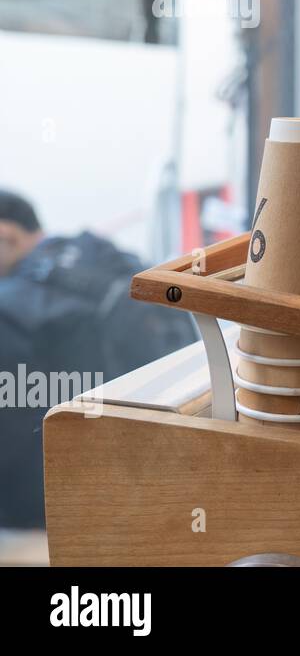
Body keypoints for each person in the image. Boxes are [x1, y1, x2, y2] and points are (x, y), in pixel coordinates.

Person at [0, 190, 196, 528]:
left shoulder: (11, 308)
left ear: (7, 236)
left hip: (53, 507)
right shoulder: (106, 253)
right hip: (163, 477)